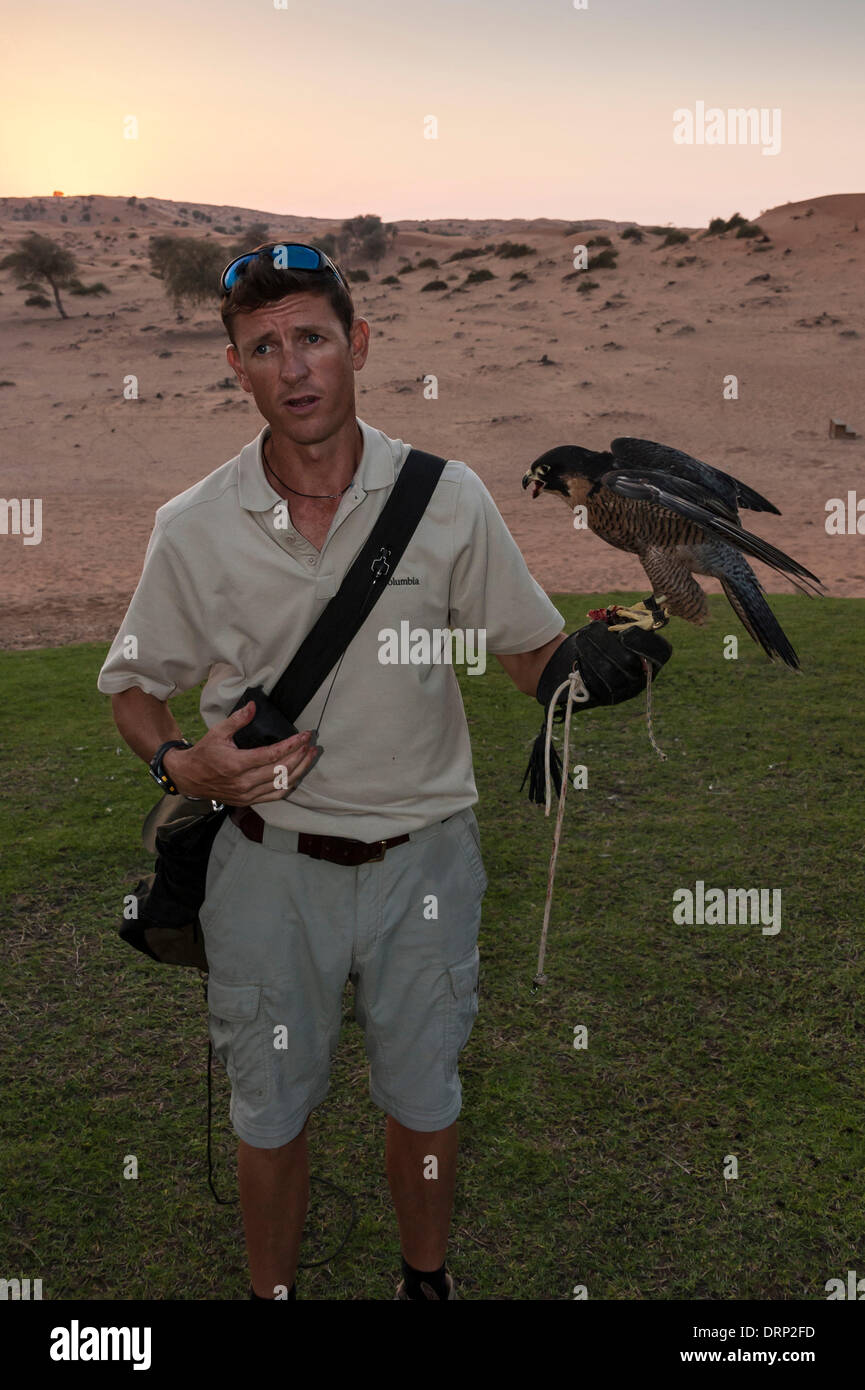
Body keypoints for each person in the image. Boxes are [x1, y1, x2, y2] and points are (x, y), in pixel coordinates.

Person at [97, 243, 669, 1301]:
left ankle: (426, 1283)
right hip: (267, 871)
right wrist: (186, 761)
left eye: (312, 336)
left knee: (425, 1095)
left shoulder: (446, 500)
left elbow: (528, 654)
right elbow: (133, 688)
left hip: (426, 865)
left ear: (356, 345)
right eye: (263, 347)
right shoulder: (191, 527)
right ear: (237, 370)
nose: (294, 366)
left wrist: (587, 667)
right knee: (270, 1106)